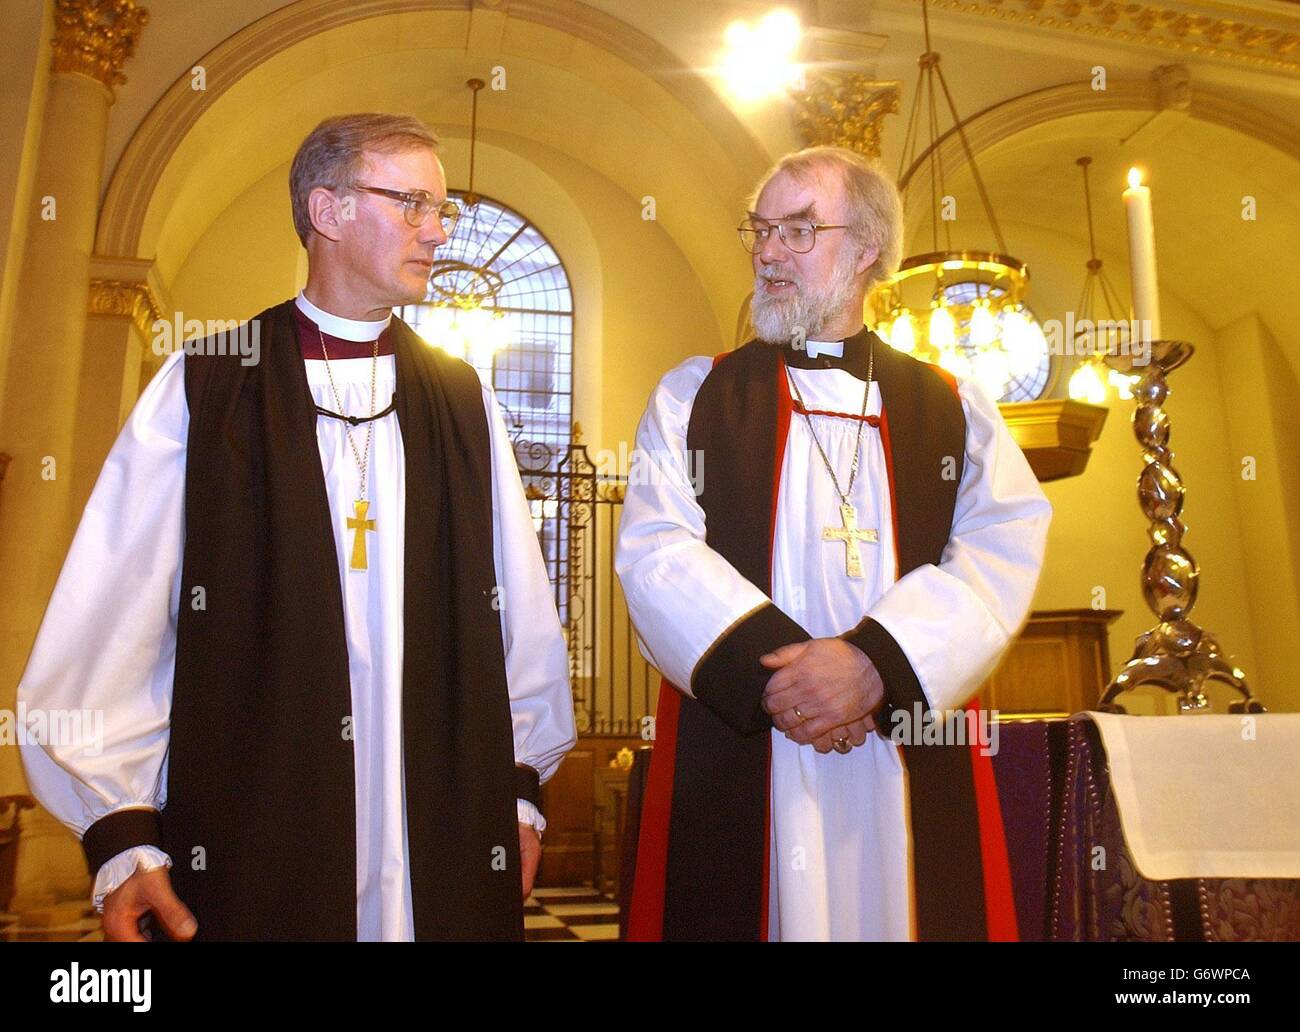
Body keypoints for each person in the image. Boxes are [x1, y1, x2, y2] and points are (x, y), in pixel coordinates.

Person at [16, 113, 576, 941]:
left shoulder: (461, 400)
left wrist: (521, 788)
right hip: (259, 816)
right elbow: (115, 616)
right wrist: (123, 836)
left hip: (444, 821)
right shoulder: (205, 388)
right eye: (413, 203)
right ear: (328, 211)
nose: (437, 231)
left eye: (441, 208)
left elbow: (520, 616)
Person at [615, 146, 1052, 941]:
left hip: (903, 738)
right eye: (761, 229)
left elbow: (1000, 549)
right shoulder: (695, 395)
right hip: (745, 729)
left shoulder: (956, 409)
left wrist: (875, 666)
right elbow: (656, 551)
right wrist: (785, 677)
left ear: (868, 250)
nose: (768, 251)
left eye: (799, 229)